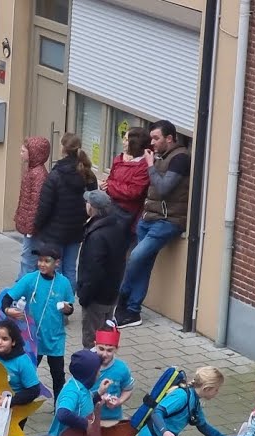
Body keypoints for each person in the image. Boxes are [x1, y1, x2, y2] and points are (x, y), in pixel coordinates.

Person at [116, 120, 190, 328]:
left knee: (136, 258)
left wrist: (149, 165)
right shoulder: (160, 155)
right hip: (148, 218)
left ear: (170, 138)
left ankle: (123, 300)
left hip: (167, 221)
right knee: (143, 264)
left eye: (156, 138)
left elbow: (164, 187)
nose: (152, 142)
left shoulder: (180, 158)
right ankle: (132, 312)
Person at [0, 246, 75, 396]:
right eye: (40, 260)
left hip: (55, 338)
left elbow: (70, 308)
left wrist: (67, 309)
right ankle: (17, 400)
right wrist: (8, 310)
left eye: (47, 261)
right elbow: (7, 298)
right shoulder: (30, 279)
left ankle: (60, 407)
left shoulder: (64, 283)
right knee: (27, 372)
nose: (42, 264)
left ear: (57, 263)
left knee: (58, 375)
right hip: (32, 339)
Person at [32, 133, 96, 289]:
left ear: (63, 149)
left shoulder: (55, 175)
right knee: (69, 269)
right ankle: (67, 305)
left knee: (54, 269)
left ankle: (54, 305)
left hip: (54, 232)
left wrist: (37, 226)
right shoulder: (88, 174)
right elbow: (92, 201)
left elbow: (45, 205)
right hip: (75, 231)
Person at [77, 190, 129, 349]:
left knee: (92, 342)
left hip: (96, 297)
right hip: (111, 294)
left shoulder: (97, 235)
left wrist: (84, 296)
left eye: (88, 203)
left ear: (92, 208)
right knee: (106, 339)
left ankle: (93, 371)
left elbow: (94, 269)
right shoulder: (117, 227)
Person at [46, 349, 111, 436]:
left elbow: (83, 403)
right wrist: (85, 424)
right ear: (88, 374)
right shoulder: (72, 392)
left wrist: (99, 393)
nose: (99, 374)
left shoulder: (82, 387)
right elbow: (63, 414)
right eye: (97, 371)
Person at [101, 126, 151, 238]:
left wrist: (110, 186)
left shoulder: (144, 165)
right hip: (111, 203)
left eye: (126, 140)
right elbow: (111, 179)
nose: (123, 142)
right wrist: (106, 185)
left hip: (126, 212)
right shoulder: (119, 159)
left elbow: (133, 192)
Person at [12, 137, 51, 278]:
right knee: (28, 256)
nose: (21, 153)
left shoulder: (38, 174)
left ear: (33, 153)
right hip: (30, 225)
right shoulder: (32, 170)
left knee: (28, 257)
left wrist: (30, 228)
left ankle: (24, 288)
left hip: (32, 228)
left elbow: (35, 203)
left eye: (24, 151)